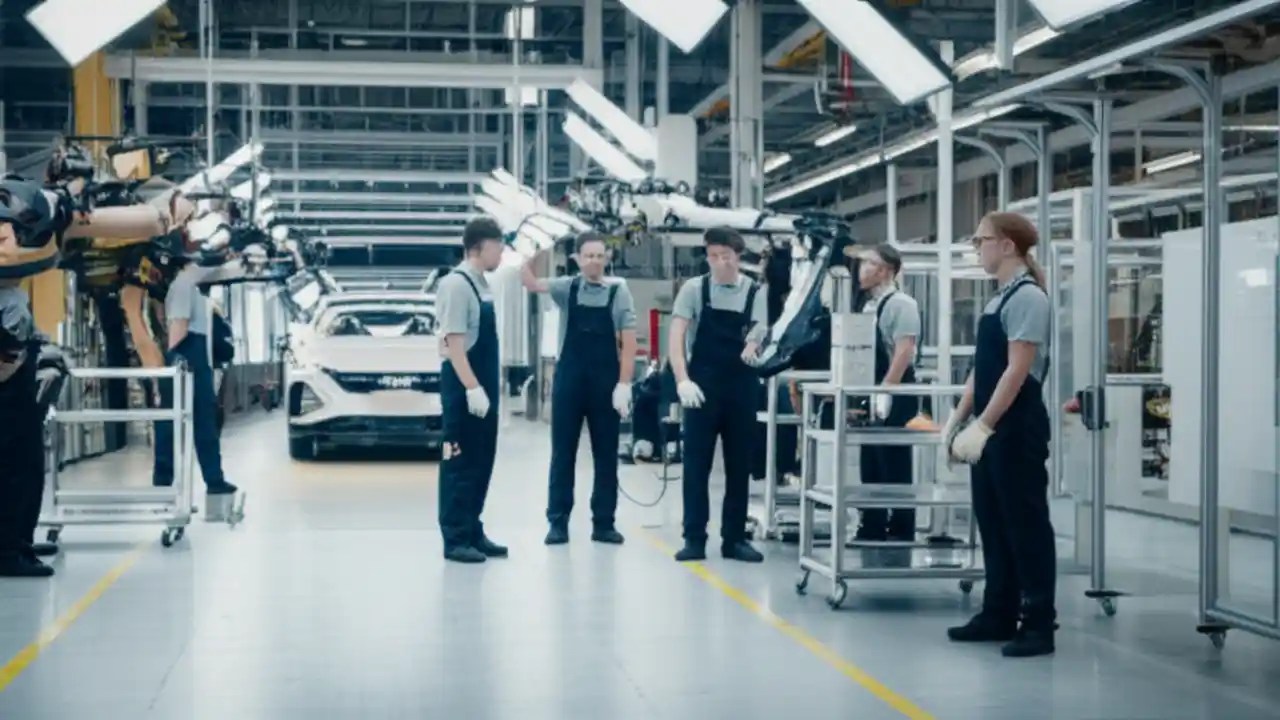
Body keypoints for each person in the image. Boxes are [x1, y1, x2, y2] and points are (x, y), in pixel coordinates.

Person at [944, 211, 1056, 658]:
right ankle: (998, 612)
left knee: (1024, 525)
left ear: (1007, 245)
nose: (977, 247)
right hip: (991, 427)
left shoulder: (1028, 297)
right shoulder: (998, 298)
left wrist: (986, 425)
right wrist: (959, 417)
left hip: (1016, 428)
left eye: (981, 239)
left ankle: (1038, 622)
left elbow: (1016, 371)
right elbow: (982, 369)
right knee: (992, 521)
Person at [522, 231, 638, 546]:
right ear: (577, 259)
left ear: (607, 259)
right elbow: (530, 283)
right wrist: (530, 251)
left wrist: (624, 384)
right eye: (589, 256)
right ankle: (557, 522)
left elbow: (629, 341)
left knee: (605, 455)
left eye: (600, 256)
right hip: (570, 382)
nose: (595, 261)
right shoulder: (566, 287)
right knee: (563, 453)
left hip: (606, 383)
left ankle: (604, 523)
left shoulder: (619, 292)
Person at [669, 227, 768, 563]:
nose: (719, 263)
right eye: (713, 256)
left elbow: (759, 330)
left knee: (739, 465)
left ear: (738, 256)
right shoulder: (695, 289)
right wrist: (682, 380)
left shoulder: (756, 291)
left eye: (726, 257)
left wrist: (753, 346)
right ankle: (694, 537)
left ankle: (735, 539)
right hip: (702, 388)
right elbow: (677, 336)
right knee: (696, 463)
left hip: (742, 387)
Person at [436, 217, 507, 564]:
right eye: (499, 247)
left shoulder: (482, 284)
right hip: (464, 391)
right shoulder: (457, 285)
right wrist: (472, 388)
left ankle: (472, 529)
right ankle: (455, 538)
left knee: (482, 462)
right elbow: (454, 344)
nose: (502, 254)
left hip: (483, 390)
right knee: (460, 464)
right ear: (480, 246)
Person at [152, 248, 239, 500]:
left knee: (196, 421)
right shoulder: (184, 285)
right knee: (183, 421)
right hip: (186, 354)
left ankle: (210, 479)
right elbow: (178, 327)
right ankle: (169, 477)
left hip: (192, 355)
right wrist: (171, 360)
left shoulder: (188, 287)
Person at [853, 243, 921, 543]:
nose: (862, 269)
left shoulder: (902, 304)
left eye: (868, 263)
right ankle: (872, 524)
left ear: (885, 270)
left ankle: (902, 527)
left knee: (894, 459)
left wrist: (887, 390)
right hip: (873, 387)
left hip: (897, 389)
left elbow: (904, 350)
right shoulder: (868, 305)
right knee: (871, 460)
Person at [0, 222, 56, 577]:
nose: (15, 244)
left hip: (19, 399)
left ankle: (21, 538)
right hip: (7, 400)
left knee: (31, 468)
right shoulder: (4, 298)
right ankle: (9, 551)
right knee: (13, 472)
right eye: (6, 238)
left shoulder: (13, 292)